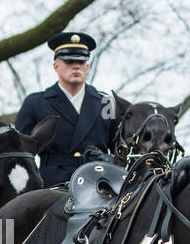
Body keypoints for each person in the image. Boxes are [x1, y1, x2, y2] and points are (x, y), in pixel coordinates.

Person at [13, 31, 114, 186]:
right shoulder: (35, 102)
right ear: (56, 66)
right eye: (69, 61)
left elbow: (120, 148)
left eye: (81, 62)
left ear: (86, 67)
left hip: (98, 183)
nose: (76, 66)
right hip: (50, 186)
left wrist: (109, 159)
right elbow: (18, 152)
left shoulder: (106, 103)